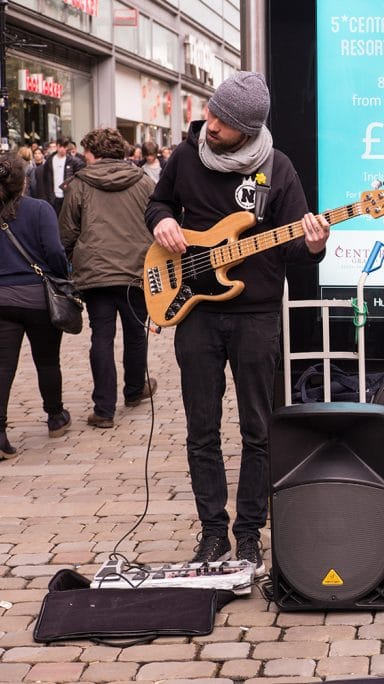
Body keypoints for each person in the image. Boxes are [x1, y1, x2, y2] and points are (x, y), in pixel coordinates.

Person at [145, 71, 329, 573]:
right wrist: (161, 220)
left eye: (222, 121)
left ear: (247, 128)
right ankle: (212, 534)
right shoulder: (185, 156)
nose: (210, 123)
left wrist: (314, 244)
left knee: (256, 430)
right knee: (201, 430)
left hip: (256, 316)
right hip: (196, 312)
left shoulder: (278, 169)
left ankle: (248, 534)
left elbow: (295, 247)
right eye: (211, 112)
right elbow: (159, 202)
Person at [59, 128, 158, 429]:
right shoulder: (144, 182)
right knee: (135, 332)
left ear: (93, 153)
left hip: (96, 273)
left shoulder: (79, 185)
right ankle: (133, 390)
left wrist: (74, 258)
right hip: (136, 271)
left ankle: (104, 409)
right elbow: (160, 222)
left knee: (101, 337)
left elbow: (66, 232)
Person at [0, 152, 72, 456]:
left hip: (2, 299)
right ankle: (55, 417)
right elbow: (55, 252)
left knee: (2, 367)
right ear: (24, 181)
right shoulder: (40, 209)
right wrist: (61, 276)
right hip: (38, 299)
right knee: (47, 360)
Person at [33, 137, 84, 215]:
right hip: (53, 197)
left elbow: (79, 174)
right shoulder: (50, 161)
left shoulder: (73, 161)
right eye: (61, 146)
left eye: (65, 147)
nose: (63, 149)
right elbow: (45, 180)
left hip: (67, 196)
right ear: (57, 146)